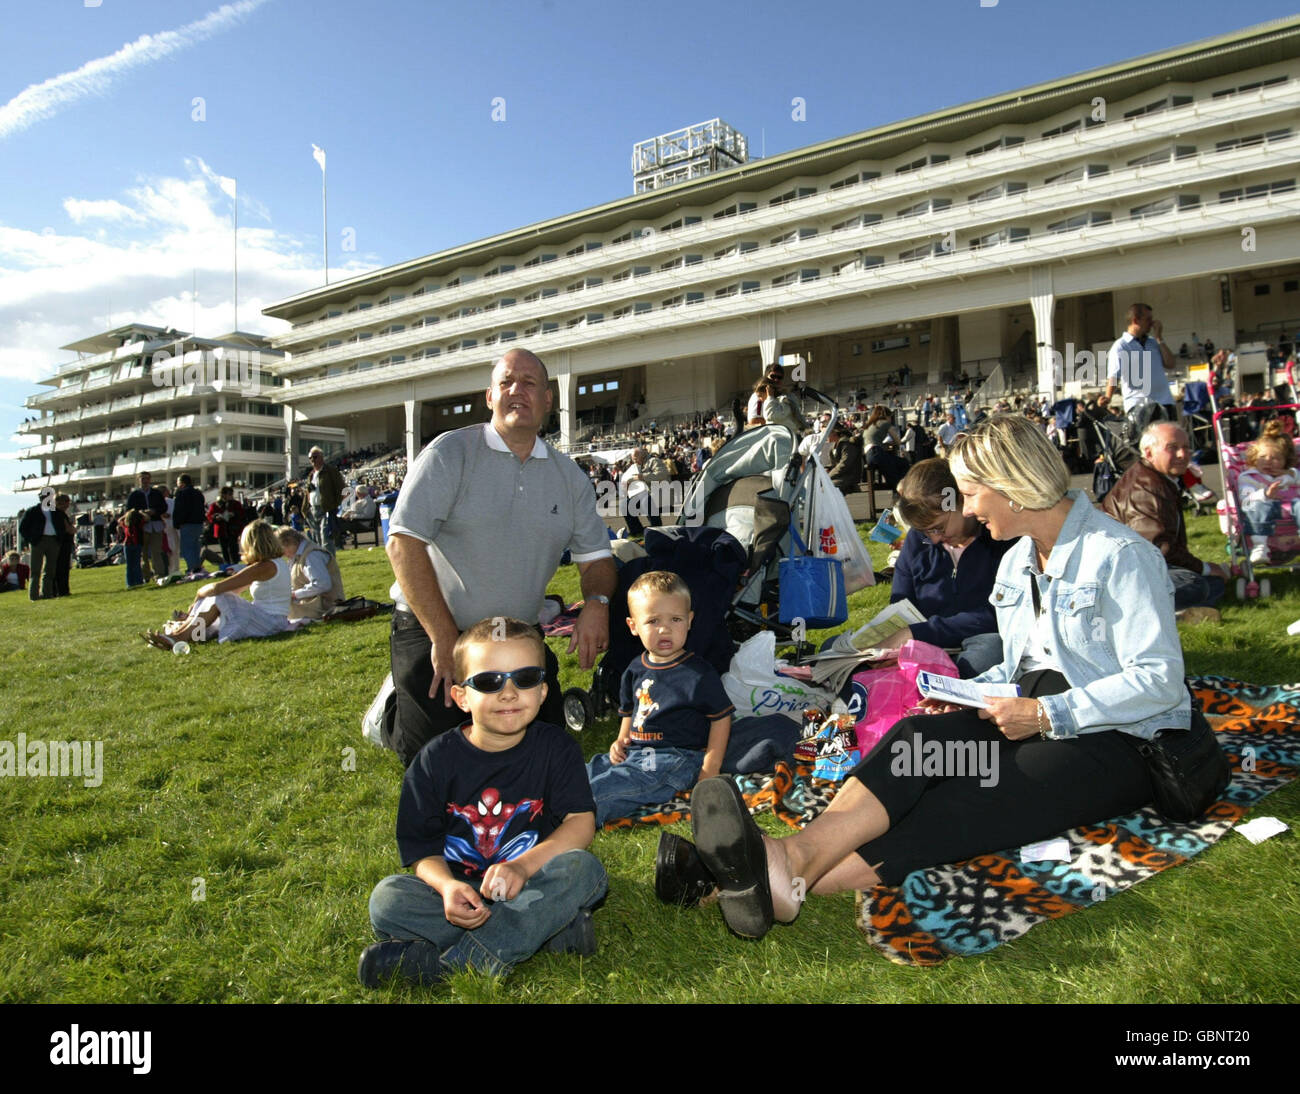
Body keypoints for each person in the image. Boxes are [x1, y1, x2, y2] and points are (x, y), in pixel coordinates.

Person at [683, 413, 1184, 940]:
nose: (965, 509)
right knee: (916, 741)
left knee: (972, 788)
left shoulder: (1122, 556)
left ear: (1011, 485)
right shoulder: (1017, 562)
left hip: (1118, 740)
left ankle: (757, 876)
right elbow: (1021, 664)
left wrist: (1044, 713)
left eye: (970, 493)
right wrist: (967, 695)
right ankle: (787, 863)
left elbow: (1159, 680)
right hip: (1029, 710)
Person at [385, 348, 616, 767]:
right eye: (506, 382)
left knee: (542, 754)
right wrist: (442, 637)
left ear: (548, 399)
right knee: (439, 763)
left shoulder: (569, 478)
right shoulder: (450, 452)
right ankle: (391, 710)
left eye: (529, 383)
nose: (516, 391)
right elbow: (403, 542)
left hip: (513, 635)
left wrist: (597, 604)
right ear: (489, 396)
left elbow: (597, 559)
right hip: (437, 628)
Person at [360, 618, 607, 988]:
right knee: (387, 900)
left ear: (542, 691)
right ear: (461, 697)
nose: (508, 693)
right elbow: (421, 852)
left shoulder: (557, 749)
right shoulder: (432, 762)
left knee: (584, 871)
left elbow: (580, 822)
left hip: (532, 880)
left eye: (525, 679)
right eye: (489, 682)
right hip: (463, 892)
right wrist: (446, 887)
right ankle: (548, 932)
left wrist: (522, 868)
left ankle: (460, 963)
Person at [585, 572, 734, 827]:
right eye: (653, 621)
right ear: (633, 626)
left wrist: (709, 769)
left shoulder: (698, 674)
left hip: (673, 758)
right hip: (636, 751)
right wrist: (621, 739)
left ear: (689, 621)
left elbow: (721, 719)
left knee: (606, 791)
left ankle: (573, 817)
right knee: (587, 770)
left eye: (675, 619)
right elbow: (629, 709)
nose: (665, 629)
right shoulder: (634, 668)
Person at [877, 458, 1011, 677]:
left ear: (961, 501)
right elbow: (901, 606)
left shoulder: (998, 539)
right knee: (834, 648)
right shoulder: (918, 540)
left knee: (989, 651)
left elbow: (998, 615)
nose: (934, 539)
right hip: (925, 646)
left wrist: (919, 633)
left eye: (939, 527)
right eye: (925, 531)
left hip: (975, 642)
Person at [1101, 422, 1227, 620]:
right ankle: (1157, 614)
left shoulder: (1157, 478)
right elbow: (1159, 549)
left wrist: (1205, 568)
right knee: (1197, 584)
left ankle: (1173, 612)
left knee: (1212, 583)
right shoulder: (1145, 488)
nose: (1182, 454)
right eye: (1173, 448)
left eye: (1186, 447)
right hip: (1126, 574)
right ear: (1149, 453)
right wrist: (1206, 567)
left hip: (1142, 567)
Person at [142, 520, 299, 649]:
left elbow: (219, 588)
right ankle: (179, 635)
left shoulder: (265, 567)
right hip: (269, 619)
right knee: (217, 603)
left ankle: (179, 636)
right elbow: (235, 589)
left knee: (218, 597)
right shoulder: (274, 564)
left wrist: (198, 594)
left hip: (270, 622)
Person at [1104, 303, 1178, 442]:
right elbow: (1114, 375)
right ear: (1136, 320)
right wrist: (1108, 396)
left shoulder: (1153, 342)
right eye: (1148, 319)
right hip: (1139, 405)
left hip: (1164, 402)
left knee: (1170, 444)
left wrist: (1159, 338)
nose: (1152, 323)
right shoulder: (1121, 346)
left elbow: (1170, 363)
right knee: (1146, 446)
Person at [1236, 420, 1300, 565]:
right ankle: (1260, 545)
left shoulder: (1289, 475)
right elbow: (1245, 500)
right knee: (1257, 505)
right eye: (1263, 457)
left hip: (1290, 510)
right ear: (1254, 458)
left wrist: (1290, 473)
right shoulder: (1249, 477)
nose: (1268, 461)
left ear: (1285, 461)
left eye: (1275, 458)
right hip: (1263, 512)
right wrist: (1265, 495)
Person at [277, 526, 345, 620]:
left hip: (326, 609)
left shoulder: (312, 555)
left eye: (282, 550)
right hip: (311, 607)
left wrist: (295, 594)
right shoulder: (297, 556)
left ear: (289, 542)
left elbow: (323, 584)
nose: (282, 554)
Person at [18, 489, 65, 601]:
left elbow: (61, 526)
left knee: (50, 569)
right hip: (38, 541)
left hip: (53, 541)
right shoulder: (33, 511)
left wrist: (59, 539)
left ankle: (47, 593)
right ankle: (34, 595)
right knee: (35, 569)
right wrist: (32, 540)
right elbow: (22, 528)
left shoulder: (55, 512)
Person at [126, 472, 168, 581]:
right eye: (143, 479)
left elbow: (163, 507)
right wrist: (141, 513)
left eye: (147, 479)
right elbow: (129, 511)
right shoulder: (134, 495)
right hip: (142, 527)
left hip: (156, 525)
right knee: (143, 553)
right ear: (139, 480)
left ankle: (159, 574)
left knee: (156, 552)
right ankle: (146, 575)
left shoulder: (156, 493)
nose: (145, 481)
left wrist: (154, 511)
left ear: (150, 480)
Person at [306, 446, 345, 555]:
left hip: (326, 509)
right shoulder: (311, 475)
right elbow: (308, 493)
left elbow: (342, 489)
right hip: (313, 510)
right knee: (317, 540)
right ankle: (322, 565)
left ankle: (330, 565)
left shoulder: (331, 471)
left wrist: (334, 505)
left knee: (326, 539)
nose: (312, 460)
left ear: (321, 457)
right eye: (310, 458)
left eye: (315, 457)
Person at [862, 405, 907, 489]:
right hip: (876, 453)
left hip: (869, 455)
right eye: (890, 417)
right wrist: (903, 450)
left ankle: (895, 487)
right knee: (903, 463)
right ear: (886, 416)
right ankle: (899, 489)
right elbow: (897, 440)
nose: (890, 419)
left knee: (891, 469)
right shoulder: (885, 423)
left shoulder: (869, 425)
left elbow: (874, 441)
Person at [171, 475, 208, 574]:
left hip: (187, 524)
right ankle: (197, 567)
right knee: (196, 547)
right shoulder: (198, 493)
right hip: (198, 523)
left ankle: (192, 568)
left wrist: (177, 523)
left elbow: (179, 510)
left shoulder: (182, 494)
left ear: (182, 483)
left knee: (187, 548)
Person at [207, 486, 243, 566]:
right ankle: (227, 564)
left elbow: (241, 514)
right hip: (221, 531)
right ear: (223, 495)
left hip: (233, 530)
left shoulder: (236, 504)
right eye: (229, 494)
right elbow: (210, 516)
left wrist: (233, 514)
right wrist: (216, 517)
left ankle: (235, 564)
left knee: (233, 548)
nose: (231, 496)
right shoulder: (215, 505)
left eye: (231, 494)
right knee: (224, 549)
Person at [825, 422, 863, 494]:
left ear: (834, 433)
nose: (824, 436)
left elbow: (844, 464)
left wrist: (828, 476)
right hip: (840, 475)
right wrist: (827, 468)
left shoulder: (846, 444)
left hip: (848, 476)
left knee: (827, 488)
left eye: (827, 433)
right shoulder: (836, 445)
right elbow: (835, 463)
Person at [53, 494, 74, 597]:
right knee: (62, 568)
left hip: (58, 543)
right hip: (63, 544)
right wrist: (73, 530)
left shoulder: (54, 514)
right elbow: (68, 529)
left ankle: (57, 590)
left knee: (57, 568)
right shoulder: (60, 514)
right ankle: (62, 590)